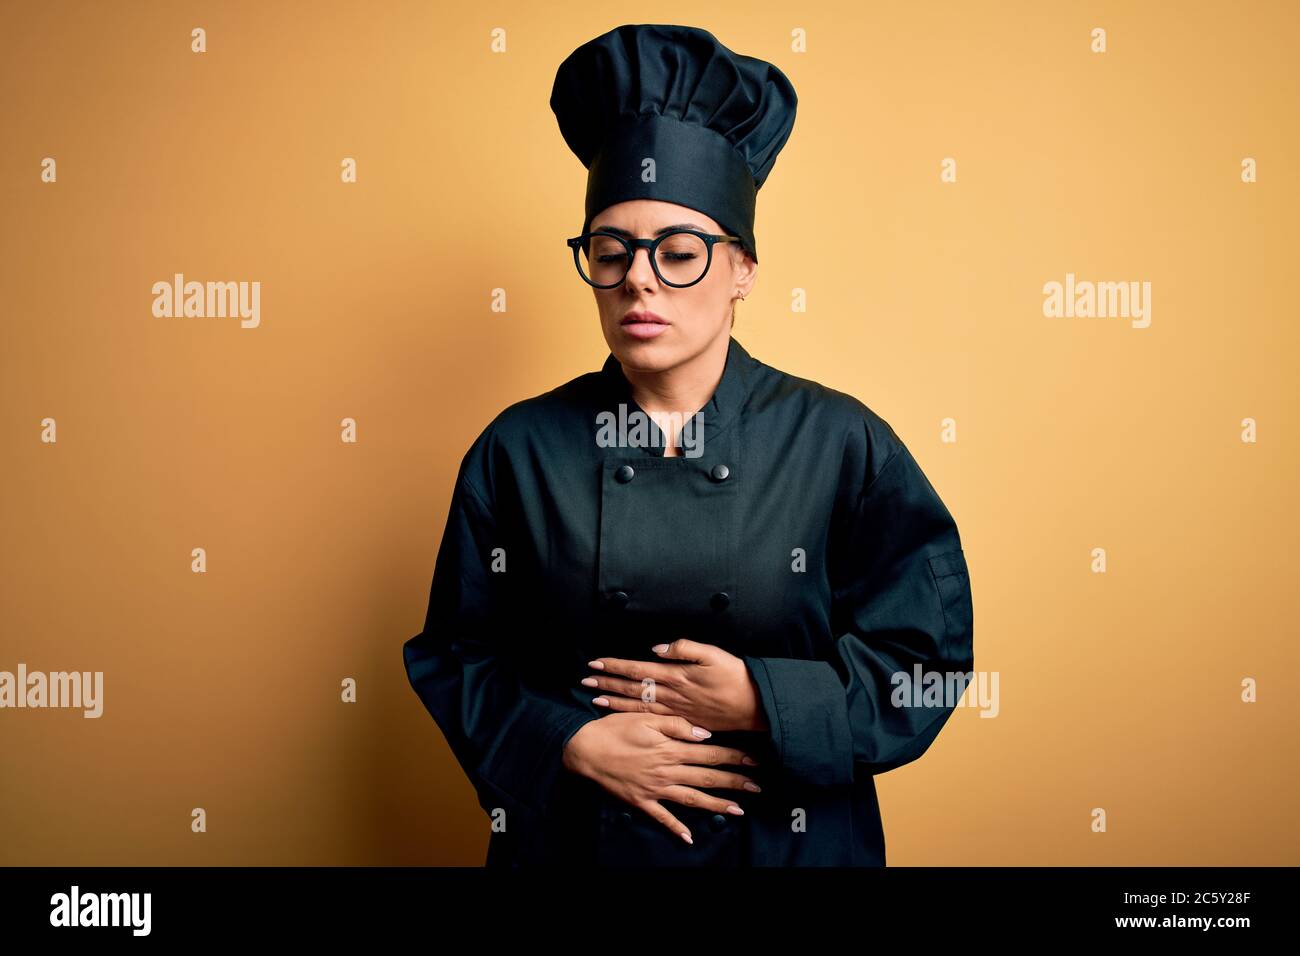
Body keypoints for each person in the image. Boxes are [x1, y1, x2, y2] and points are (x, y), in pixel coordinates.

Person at [403, 23, 974, 867]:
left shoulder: (839, 440)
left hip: (789, 848)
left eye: (677, 253)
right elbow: (459, 655)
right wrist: (567, 743)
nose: (639, 279)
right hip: (579, 846)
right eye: (611, 252)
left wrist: (764, 698)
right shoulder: (517, 450)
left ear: (743, 268)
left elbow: (927, 658)